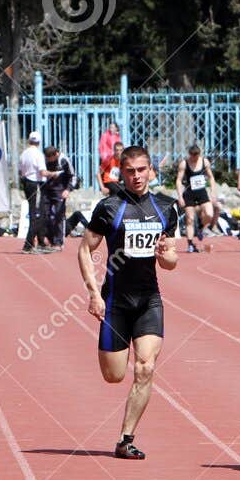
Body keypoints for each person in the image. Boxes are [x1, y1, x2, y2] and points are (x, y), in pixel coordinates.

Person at [78, 144, 180, 460]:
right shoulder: (109, 207)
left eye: (141, 170)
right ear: (121, 173)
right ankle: (124, 433)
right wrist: (94, 293)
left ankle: (126, 439)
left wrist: (167, 256)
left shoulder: (166, 207)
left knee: (145, 367)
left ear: (151, 171)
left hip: (149, 300)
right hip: (115, 302)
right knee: (114, 375)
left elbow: (172, 260)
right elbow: (85, 250)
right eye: (130, 171)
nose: (136, 176)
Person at [175, 144, 218, 251]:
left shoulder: (204, 162)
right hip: (189, 193)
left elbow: (211, 177)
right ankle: (190, 244)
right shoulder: (184, 164)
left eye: (196, 154)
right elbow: (179, 180)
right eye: (192, 155)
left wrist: (213, 192)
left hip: (202, 192)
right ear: (189, 154)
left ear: (199, 154)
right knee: (189, 219)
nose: (194, 157)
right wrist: (180, 196)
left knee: (209, 214)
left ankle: (200, 228)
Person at [41, 145, 75, 251]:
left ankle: (58, 242)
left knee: (58, 216)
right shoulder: (44, 160)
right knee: (45, 214)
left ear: (55, 154)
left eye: (49, 158)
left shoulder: (63, 160)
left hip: (60, 191)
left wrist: (68, 190)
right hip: (47, 190)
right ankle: (49, 239)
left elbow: (73, 176)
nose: (48, 160)